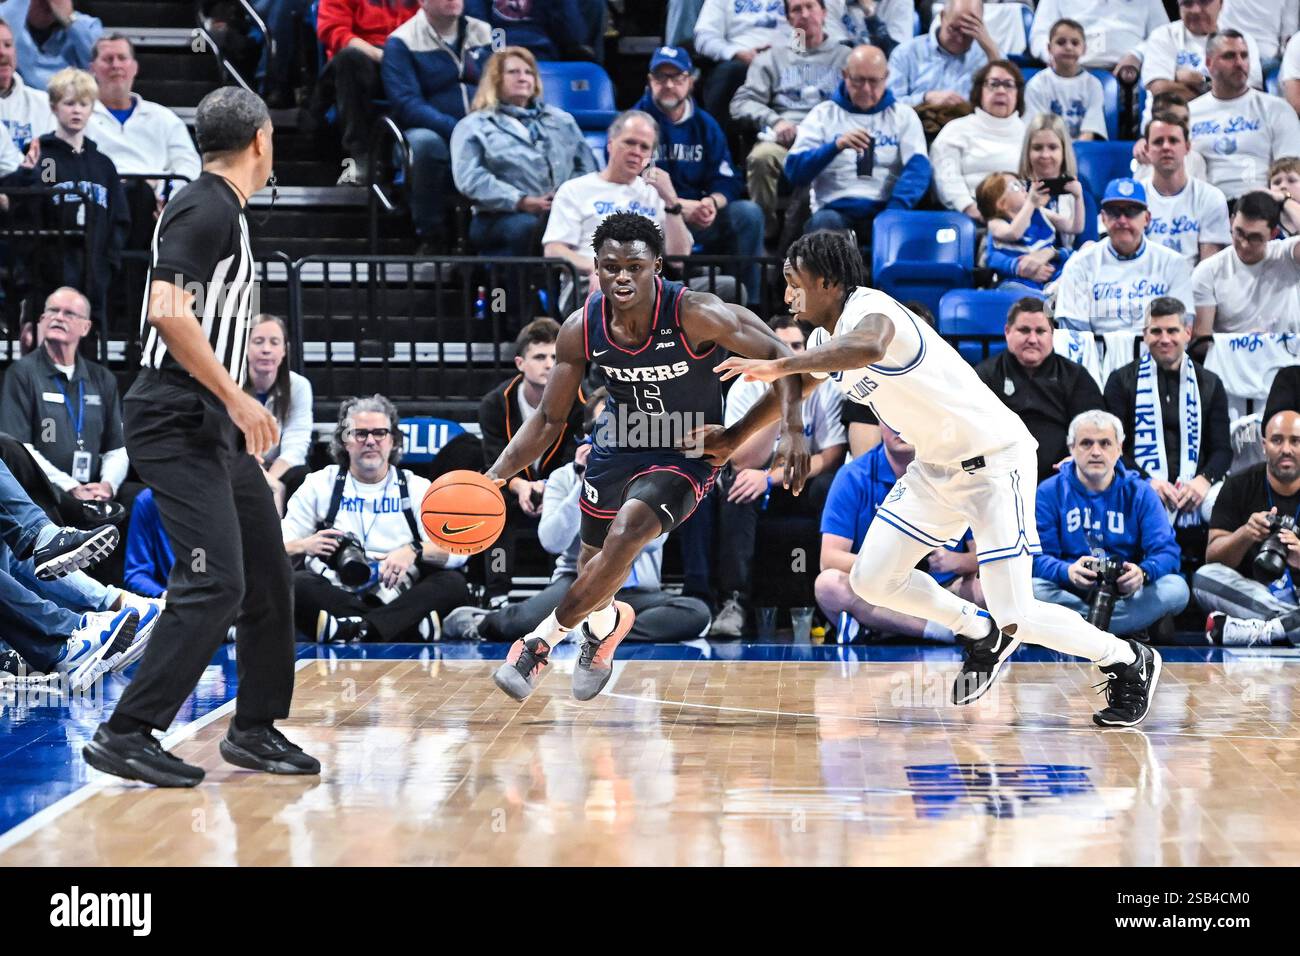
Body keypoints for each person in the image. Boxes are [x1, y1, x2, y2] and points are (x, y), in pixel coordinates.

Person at [711, 229, 1162, 728]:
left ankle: (1125, 658)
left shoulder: (875, 312)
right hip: (937, 467)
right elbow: (795, 384)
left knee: (1019, 614)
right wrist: (732, 440)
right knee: (871, 578)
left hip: (996, 462)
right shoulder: (821, 341)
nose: (788, 296)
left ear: (827, 282)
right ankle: (976, 631)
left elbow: (864, 347)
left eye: (795, 283)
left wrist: (780, 362)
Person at [83, 87, 319, 789]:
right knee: (214, 579)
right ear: (262, 141)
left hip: (208, 421)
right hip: (176, 416)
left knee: (267, 571)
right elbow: (165, 311)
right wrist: (238, 396)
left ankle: (254, 728)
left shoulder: (227, 211)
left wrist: (231, 406)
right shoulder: (206, 204)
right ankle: (127, 730)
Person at [486, 212, 810, 703]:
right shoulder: (581, 327)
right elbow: (550, 421)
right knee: (592, 564)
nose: (622, 276)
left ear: (656, 266)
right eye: (610, 266)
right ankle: (605, 626)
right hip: (618, 441)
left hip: (687, 448)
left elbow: (792, 369)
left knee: (628, 533)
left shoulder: (698, 313)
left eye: (634, 266)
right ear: (595, 268)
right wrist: (493, 477)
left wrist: (778, 430)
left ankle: (539, 643)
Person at [446, 389, 713, 643]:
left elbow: (652, 543)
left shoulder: (655, 477)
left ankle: (590, 634)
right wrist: (587, 484)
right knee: (519, 621)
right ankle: (480, 622)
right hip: (576, 584)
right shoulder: (564, 477)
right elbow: (552, 541)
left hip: (635, 590)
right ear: (589, 435)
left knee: (695, 612)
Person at [282, 395, 470, 643]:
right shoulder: (319, 484)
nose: (370, 441)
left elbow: (458, 551)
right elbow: (279, 545)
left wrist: (413, 550)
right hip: (338, 589)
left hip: (400, 588)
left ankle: (354, 629)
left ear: (393, 441)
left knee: (453, 584)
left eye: (380, 433)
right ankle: (404, 628)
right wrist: (305, 545)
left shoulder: (416, 487)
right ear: (344, 441)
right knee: (296, 583)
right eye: (360, 433)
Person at [711, 314, 846, 637]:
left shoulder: (825, 386)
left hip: (803, 478)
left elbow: (831, 455)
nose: (788, 354)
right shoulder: (745, 387)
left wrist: (771, 477)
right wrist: (781, 400)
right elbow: (742, 458)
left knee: (828, 488)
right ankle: (734, 602)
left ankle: (825, 604)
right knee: (736, 491)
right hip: (757, 476)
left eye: (796, 346)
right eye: (780, 347)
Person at [816, 423, 982, 641]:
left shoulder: (953, 473)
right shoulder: (852, 475)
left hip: (944, 591)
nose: (899, 427)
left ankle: (876, 629)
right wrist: (888, 565)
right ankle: (944, 633)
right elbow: (829, 559)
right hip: (877, 590)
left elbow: (984, 556)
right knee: (828, 585)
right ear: (878, 423)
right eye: (890, 419)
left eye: (905, 418)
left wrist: (955, 561)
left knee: (986, 588)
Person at [1032, 410, 1189, 636]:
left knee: (1177, 589)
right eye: (1086, 443)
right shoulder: (1048, 492)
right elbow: (1035, 559)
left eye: (1105, 443)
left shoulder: (1142, 492)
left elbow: (1168, 552)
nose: (1096, 451)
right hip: (1071, 590)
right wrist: (1067, 572)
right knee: (1032, 590)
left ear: (1119, 449)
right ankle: (1127, 628)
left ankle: (1081, 631)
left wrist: (1142, 574)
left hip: (1125, 593)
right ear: (1071, 448)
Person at [637, 46, 767, 307]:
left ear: (690, 81)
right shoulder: (637, 123)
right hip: (655, 215)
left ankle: (751, 307)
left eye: (677, 77)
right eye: (661, 78)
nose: (669, 85)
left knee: (748, 214)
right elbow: (637, 179)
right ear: (650, 81)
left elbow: (727, 178)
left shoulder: (706, 125)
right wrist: (681, 206)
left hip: (700, 218)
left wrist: (712, 203)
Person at [1104, 296, 1231, 563]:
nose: (1165, 339)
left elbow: (1222, 449)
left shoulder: (1210, 383)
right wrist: (1147, 481)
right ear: (1144, 334)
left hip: (1196, 489)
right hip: (1140, 484)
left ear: (1188, 332)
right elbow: (1112, 448)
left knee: (1223, 504)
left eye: (1172, 330)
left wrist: (1203, 480)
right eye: (1156, 331)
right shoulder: (1120, 381)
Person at [3, 67, 128, 327]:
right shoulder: (44, 158)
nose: (77, 111)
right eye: (69, 103)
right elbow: (25, 207)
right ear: (53, 107)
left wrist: (109, 265)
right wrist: (27, 173)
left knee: (90, 352)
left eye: (84, 104)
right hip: (50, 278)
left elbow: (119, 218)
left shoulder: (103, 165)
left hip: (94, 278)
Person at [450, 46, 594, 257]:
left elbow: (586, 167)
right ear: (496, 79)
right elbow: (470, 178)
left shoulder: (562, 120)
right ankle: (522, 291)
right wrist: (520, 200)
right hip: (500, 216)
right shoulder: (473, 125)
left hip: (562, 210)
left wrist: (566, 197)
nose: (523, 77)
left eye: (528, 72)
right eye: (513, 72)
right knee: (530, 228)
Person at [478, 318, 586, 599]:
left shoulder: (580, 402)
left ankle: (561, 589)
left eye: (555, 357)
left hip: (561, 486)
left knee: (575, 502)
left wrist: (547, 487)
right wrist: (521, 487)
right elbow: (493, 463)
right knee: (493, 503)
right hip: (513, 488)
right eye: (540, 357)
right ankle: (497, 595)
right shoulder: (494, 403)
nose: (549, 364)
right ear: (519, 363)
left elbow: (571, 460)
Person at [540, 110, 693, 308]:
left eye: (644, 147)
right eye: (629, 142)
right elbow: (553, 250)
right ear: (610, 144)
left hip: (651, 283)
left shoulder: (655, 194)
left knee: (728, 288)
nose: (636, 151)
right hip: (590, 283)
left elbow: (680, 259)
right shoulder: (575, 189)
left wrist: (671, 202)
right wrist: (596, 268)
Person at [784, 44, 931, 240]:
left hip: (887, 208)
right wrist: (835, 147)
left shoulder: (903, 115)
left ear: (886, 77)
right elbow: (795, 172)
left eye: (873, 81)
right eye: (858, 80)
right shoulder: (823, 114)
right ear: (845, 75)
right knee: (825, 227)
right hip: (834, 209)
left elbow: (919, 168)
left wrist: (895, 209)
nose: (866, 89)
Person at [729, 0, 849, 234]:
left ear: (824, 13)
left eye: (810, 7)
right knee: (761, 157)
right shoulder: (772, 58)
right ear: (788, 19)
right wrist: (775, 120)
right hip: (784, 139)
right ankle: (765, 232)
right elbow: (741, 103)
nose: (804, 14)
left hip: (829, 143)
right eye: (796, 9)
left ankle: (813, 239)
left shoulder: (846, 57)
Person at [0, 287, 129, 505]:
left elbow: (116, 448)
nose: (58, 317)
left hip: (94, 489)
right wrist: (69, 486)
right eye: (52, 311)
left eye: (69, 313)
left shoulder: (103, 378)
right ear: (41, 320)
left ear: (86, 327)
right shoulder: (22, 373)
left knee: (144, 499)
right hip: (43, 491)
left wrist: (108, 485)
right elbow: (20, 449)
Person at [382, 0, 492, 251]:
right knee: (424, 145)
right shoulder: (400, 41)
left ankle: (492, 235)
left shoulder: (488, 33)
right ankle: (432, 235)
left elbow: (502, 78)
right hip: (434, 129)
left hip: (485, 122)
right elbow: (407, 104)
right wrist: (456, 129)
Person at [1195, 410, 1300, 646]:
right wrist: (1245, 534)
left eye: (1295, 441)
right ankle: (1289, 625)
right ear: (1264, 445)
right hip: (1252, 594)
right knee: (1204, 578)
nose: (1286, 449)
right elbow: (1212, 558)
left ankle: (1267, 630)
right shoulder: (1238, 484)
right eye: (1277, 440)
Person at [975, 297, 1104, 483]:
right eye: (1024, 330)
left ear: (1052, 334)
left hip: (1063, 480)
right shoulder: (985, 375)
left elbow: (1095, 426)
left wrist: (1079, 458)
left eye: (1041, 331)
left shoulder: (1074, 375)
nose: (1032, 339)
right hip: (999, 478)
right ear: (1007, 332)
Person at [1051, 178, 1195, 333]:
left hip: (1156, 354)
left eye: (1131, 212)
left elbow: (1181, 330)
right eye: (1114, 212)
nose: (1122, 220)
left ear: (1147, 219)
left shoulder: (1173, 263)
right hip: (1099, 356)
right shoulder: (1079, 264)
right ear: (1104, 218)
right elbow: (1075, 335)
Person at [312, 0, 419, 185]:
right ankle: (360, 157)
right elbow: (336, 32)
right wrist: (382, 56)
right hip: (364, 56)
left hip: (408, 58)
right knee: (349, 59)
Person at [1189, 30, 1300, 201]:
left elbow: (1291, 173)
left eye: (1244, 56)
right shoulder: (1189, 113)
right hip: (1205, 208)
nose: (1239, 63)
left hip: (1263, 207)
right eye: (1229, 56)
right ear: (1209, 63)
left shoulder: (1278, 110)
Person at [86, 34, 201, 189]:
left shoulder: (164, 118)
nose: (115, 65)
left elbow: (188, 165)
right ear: (92, 68)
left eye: (122, 58)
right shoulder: (77, 118)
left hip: (154, 201)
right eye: (108, 59)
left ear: (135, 67)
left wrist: (167, 195)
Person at [929, 59, 1026, 221]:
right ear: (979, 91)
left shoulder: (1029, 133)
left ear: (1018, 93)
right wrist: (969, 208)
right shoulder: (956, 129)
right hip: (967, 216)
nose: (1001, 90)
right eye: (993, 84)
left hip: (1019, 217)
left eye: (1008, 85)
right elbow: (945, 176)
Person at [1192, 190, 1300, 335]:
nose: (1244, 244)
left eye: (1255, 237)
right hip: (1233, 355)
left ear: (1273, 234)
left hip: (1287, 354)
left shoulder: (1286, 255)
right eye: (1239, 233)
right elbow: (1201, 341)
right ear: (1231, 221)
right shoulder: (1208, 271)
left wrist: (1284, 200)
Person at [1135, 0, 1263, 111]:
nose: (1195, 9)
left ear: (1221, 3)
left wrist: (1202, 82)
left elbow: (1250, 93)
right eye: (1187, 3)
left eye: (1204, 1)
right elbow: (1161, 90)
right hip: (1169, 128)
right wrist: (1221, 90)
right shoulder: (1163, 36)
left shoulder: (1241, 40)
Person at [1141, 111, 1230, 265]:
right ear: (1147, 149)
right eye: (1158, 141)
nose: (1166, 147)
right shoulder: (1135, 196)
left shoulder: (1210, 197)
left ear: (1187, 147)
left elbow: (1208, 269)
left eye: (1173, 140)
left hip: (1193, 285)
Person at [245, 314, 313, 514]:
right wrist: (267, 483)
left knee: (301, 475)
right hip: (243, 464)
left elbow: (296, 447)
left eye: (274, 342)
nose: (266, 349)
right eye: (258, 342)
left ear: (284, 351)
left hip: (278, 467)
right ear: (245, 348)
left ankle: (294, 539)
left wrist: (273, 480)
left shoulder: (299, 386)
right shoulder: (232, 385)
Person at [886, 0, 999, 108]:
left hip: (969, 124)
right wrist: (925, 98)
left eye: (968, 32)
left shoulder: (988, 56)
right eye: (954, 29)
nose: (960, 39)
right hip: (919, 122)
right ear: (942, 16)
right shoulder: (906, 53)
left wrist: (992, 50)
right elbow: (891, 105)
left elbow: (1008, 98)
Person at [693, 0, 787, 125]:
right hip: (738, 63)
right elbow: (704, 37)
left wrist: (795, 54)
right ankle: (717, 140)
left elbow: (808, 25)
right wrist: (736, 53)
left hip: (788, 61)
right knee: (729, 73)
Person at [977, 171, 1072, 289]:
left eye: (1021, 183)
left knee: (1087, 247)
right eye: (1015, 186)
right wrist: (1031, 202)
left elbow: (1074, 228)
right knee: (1011, 288)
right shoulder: (996, 225)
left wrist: (1078, 198)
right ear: (1002, 204)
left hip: (1052, 274)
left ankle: (1056, 291)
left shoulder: (1038, 213)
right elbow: (1013, 233)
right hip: (1020, 282)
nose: (1023, 188)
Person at [1023, 18, 1106, 141]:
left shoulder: (1093, 85)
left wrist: (1071, 154)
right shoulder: (1037, 84)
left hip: (1080, 150)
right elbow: (1037, 129)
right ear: (1049, 48)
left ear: (1084, 49)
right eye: (1061, 42)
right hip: (1048, 148)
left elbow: (1090, 131)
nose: (1068, 47)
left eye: (1075, 43)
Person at [1029, 0, 1169, 71]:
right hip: (1069, 71)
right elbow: (1039, 36)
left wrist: (1137, 54)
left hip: (1128, 75)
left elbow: (1164, 36)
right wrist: (1053, 57)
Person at [1017, 112, 1085, 247]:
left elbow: (1087, 247)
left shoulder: (1078, 189)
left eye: (1053, 147)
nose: (1045, 155)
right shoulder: (1017, 190)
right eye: (1037, 148)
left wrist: (1054, 255)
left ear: (1064, 151)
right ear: (1027, 151)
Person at [0, 0, 101, 91]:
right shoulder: (7, 19)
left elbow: (99, 67)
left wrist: (70, 21)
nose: (48, 5)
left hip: (74, 103)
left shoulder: (88, 26)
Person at [0, 14, 53, 153]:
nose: (2, 52)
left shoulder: (43, 103)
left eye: (7, 45)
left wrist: (45, 175)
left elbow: (53, 160)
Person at [463, 0, 584, 61]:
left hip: (543, 55)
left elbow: (573, 35)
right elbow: (479, 26)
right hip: (498, 54)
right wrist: (499, 51)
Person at [1269, 155, 1300, 235]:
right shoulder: (1266, 219)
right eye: (1277, 182)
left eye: (1291, 180)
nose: (1283, 186)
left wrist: (1286, 200)